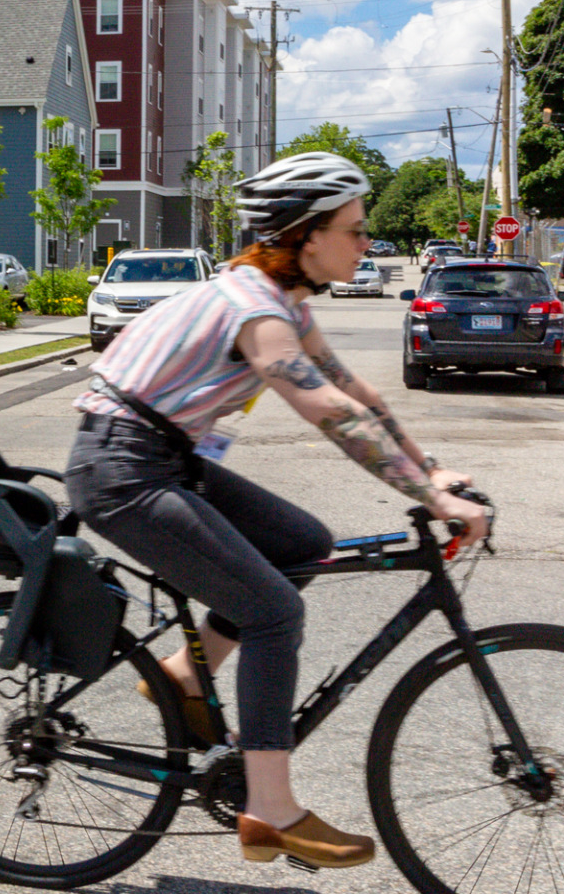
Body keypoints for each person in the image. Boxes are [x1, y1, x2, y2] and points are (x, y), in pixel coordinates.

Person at [63, 152, 488, 869]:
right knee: (273, 612)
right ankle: (269, 807)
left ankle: (184, 675)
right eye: (354, 230)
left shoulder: (279, 297)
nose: (366, 243)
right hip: (120, 468)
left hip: (161, 457)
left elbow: (356, 391)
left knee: (303, 542)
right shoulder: (254, 306)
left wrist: (431, 470)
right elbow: (326, 410)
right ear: (306, 233)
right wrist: (428, 496)